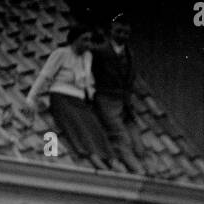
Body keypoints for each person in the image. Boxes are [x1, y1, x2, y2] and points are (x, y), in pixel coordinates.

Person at [27, 25, 121, 172]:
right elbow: (45, 75)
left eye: (89, 40)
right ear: (74, 40)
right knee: (79, 127)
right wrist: (31, 97)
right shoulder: (61, 53)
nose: (87, 44)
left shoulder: (87, 56)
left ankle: (112, 162)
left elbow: (87, 81)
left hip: (80, 100)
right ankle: (96, 162)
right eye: (84, 40)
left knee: (95, 128)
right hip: (61, 98)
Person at [90, 15, 144, 175]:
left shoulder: (129, 54)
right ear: (111, 31)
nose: (122, 35)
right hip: (106, 99)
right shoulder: (99, 51)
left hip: (124, 102)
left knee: (138, 143)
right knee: (120, 136)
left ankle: (143, 163)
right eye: (119, 31)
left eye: (126, 33)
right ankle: (137, 170)